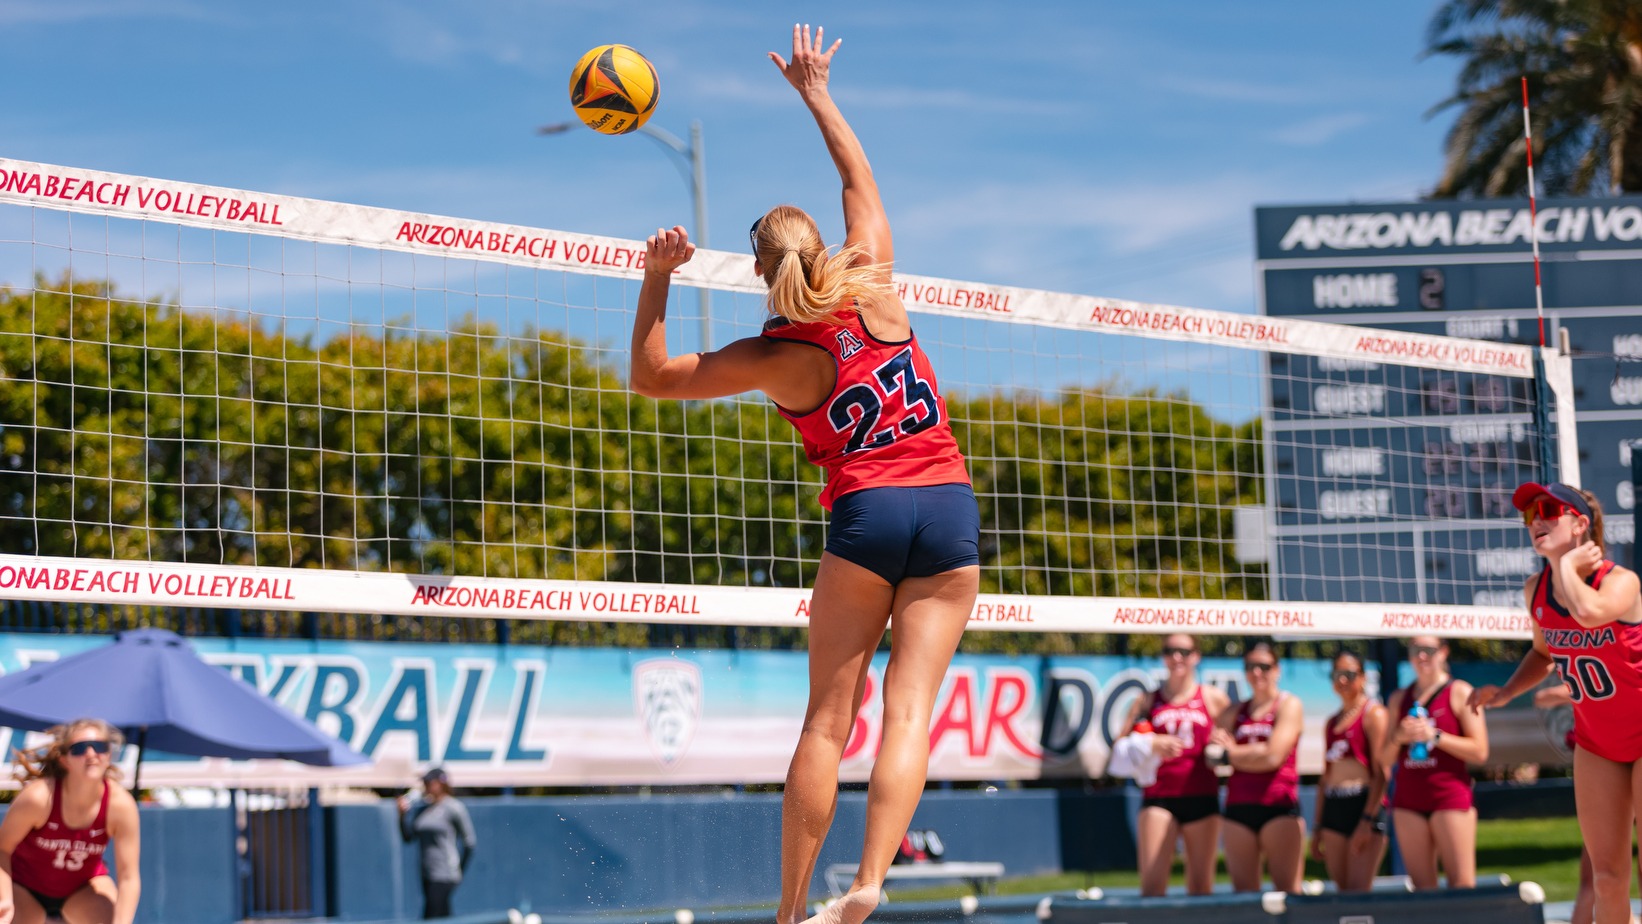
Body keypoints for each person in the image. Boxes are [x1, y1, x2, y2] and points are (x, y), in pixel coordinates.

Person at [628, 25, 981, 924]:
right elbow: (859, 180)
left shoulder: (770, 355)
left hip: (866, 515)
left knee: (830, 723)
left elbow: (652, 378)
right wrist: (815, 90)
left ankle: (791, 913)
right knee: (908, 717)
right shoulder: (872, 281)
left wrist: (658, 276)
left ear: (758, 273)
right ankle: (870, 881)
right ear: (822, 250)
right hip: (947, 510)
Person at [1469, 482, 1642, 924]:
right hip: (1597, 742)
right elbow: (1544, 654)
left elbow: (1587, 612)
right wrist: (1506, 692)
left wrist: (1566, 568)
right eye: (1530, 516)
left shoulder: (1621, 582)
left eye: (1548, 510)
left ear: (1581, 524)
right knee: (1605, 878)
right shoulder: (1537, 590)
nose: (1537, 521)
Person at [1116, 634, 1228, 897]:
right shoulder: (1146, 700)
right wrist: (1151, 744)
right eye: (1170, 651)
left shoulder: (1213, 698)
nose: (1177, 657)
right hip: (1159, 796)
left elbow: (1232, 741)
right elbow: (1120, 748)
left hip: (1202, 796)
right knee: (1153, 887)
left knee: (1201, 888)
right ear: (1163, 656)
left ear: (1196, 656)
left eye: (1184, 651)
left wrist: (1222, 742)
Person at [0, 718, 142, 924]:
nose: (91, 754)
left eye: (100, 747)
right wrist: (5, 898)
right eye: (79, 748)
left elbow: (129, 878)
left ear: (109, 755)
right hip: (24, 887)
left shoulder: (120, 805)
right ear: (64, 759)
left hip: (82, 888)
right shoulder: (39, 798)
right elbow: (2, 850)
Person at [1377, 636, 1487, 890]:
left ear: (1443, 652)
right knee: (1423, 891)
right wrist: (1399, 737)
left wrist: (1435, 736)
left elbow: (1480, 751)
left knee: (1461, 887)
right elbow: (1384, 759)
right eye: (1416, 650)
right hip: (1408, 801)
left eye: (1428, 650)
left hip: (1448, 797)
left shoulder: (1460, 691)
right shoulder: (1398, 698)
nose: (1422, 656)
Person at [1210, 641, 1305, 893]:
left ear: (1277, 670)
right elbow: (1212, 757)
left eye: (1264, 666)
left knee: (1288, 896)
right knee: (1245, 899)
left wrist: (1232, 754)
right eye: (1251, 667)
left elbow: (1273, 757)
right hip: (1238, 808)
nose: (1257, 673)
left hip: (1278, 806)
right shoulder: (1235, 710)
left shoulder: (1288, 705)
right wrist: (1252, 754)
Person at [1308, 649, 1389, 893]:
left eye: (1349, 674)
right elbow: (1326, 778)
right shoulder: (1332, 722)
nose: (1342, 680)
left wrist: (1367, 820)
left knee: (1358, 893)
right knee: (1342, 893)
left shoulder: (1373, 714)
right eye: (1337, 674)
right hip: (1335, 808)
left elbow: (1382, 774)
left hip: (1362, 806)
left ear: (1363, 677)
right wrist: (1319, 826)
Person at [397, 767, 476, 920]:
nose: (426, 786)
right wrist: (400, 816)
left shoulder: (454, 808)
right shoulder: (423, 809)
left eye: (429, 782)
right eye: (424, 782)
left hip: (445, 873)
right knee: (442, 916)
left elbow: (470, 842)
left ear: (440, 783)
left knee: (431, 916)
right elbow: (408, 837)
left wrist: (459, 870)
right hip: (427, 873)